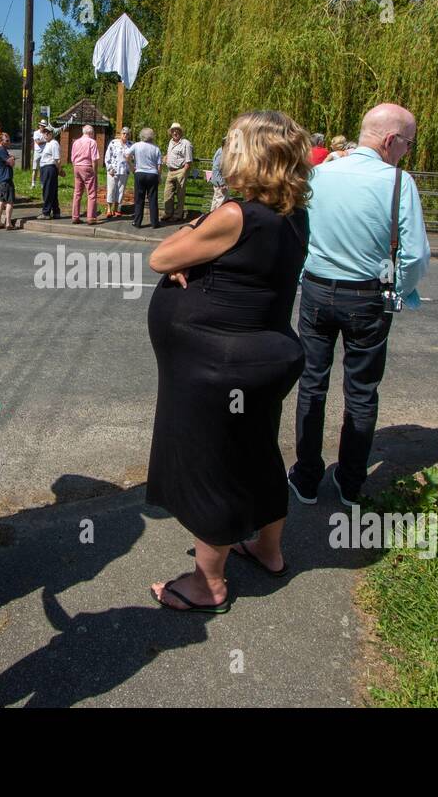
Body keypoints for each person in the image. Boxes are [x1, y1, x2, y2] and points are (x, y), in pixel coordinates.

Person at [146, 110, 313, 612]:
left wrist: (188, 254)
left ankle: (208, 584)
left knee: (210, 466)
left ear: (249, 155)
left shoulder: (237, 216)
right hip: (264, 357)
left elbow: (160, 257)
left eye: (230, 143)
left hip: (218, 365)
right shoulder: (292, 213)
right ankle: (268, 549)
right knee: (258, 452)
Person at [288, 103, 430, 506]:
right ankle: (350, 481)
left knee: (312, 383)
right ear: (390, 140)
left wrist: (305, 275)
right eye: (407, 143)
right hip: (368, 294)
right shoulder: (399, 184)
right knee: (362, 391)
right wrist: (397, 289)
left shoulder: (319, 174)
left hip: (317, 289)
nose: (407, 150)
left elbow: (301, 232)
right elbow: (416, 255)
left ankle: (306, 475)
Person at [128, 128, 162, 228]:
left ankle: (137, 222)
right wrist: (159, 177)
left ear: (142, 135)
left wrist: (132, 167)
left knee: (139, 199)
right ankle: (155, 223)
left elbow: (126, 156)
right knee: (152, 199)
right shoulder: (156, 148)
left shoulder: (136, 145)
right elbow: (159, 165)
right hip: (152, 174)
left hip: (140, 173)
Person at [161, 122, 193, 222]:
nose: (175, 132)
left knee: (180, 194)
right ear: (171, 132)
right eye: (173, 131)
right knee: (167, 193)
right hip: (170, 171)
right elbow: (170, 153)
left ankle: (178, 215)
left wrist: (184, 171)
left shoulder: (186, 144)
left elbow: (189, 161)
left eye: (177, 130)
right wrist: (166, 157)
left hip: (180, 171)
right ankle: (168, 213)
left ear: (181, 132)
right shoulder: (170, 142)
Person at [70, 123, 101, 224]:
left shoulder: (76, 142)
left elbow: (72, 158)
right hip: (87, 167)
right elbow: (94, 159)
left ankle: (75, 216)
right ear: (91, 133)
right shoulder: (92, 142)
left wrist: (75, 167)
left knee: (77, 192)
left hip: (77, 167)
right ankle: (90, 217)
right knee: (91, 193)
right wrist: (95, 172)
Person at [104, 126, 132, 219]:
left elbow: (133, 158)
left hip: (124, 171)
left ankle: (116, 209)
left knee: (120, 190)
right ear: (120, 134)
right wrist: (109, 168)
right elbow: (108, 156)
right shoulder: (113, 143)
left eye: (127, 134)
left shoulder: (130, 145)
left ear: (129, 135)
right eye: (123, 133)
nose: (125, 135)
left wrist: (131, 167)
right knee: (111, 189)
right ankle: (109, 209)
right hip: (113, 170)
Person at [0, 131, 17, 230]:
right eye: (7, 140)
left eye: (9, 140)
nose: (9, 142)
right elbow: (11, 163)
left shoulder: (0, 150)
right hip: (6, 179)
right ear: (1, 141)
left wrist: (10, 157)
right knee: (10, 202)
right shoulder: (1, 150)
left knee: (2, 201)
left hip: (1, 179)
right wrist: (12, 158)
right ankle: (8, 223)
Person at [38, 128, 63, 219]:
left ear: (51, 134)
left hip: (50, 168)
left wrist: (59, 170)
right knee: (52, 191)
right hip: (46, 168)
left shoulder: (54, 143)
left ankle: (46, 213)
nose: (45, 135)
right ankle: (56, 212)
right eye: (44, 133)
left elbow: (57, 159)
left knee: (48, 191)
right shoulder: (48, 143)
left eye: (47, 133)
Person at [207, 135, 228, 210]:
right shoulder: (222, 153)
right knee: (220, 201)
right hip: (220, 182)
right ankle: (216, 219)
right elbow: (216, 168)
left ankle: (211, 218)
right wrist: (222, 183)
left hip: (218, 180)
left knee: (216, 200)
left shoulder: (220, 150)